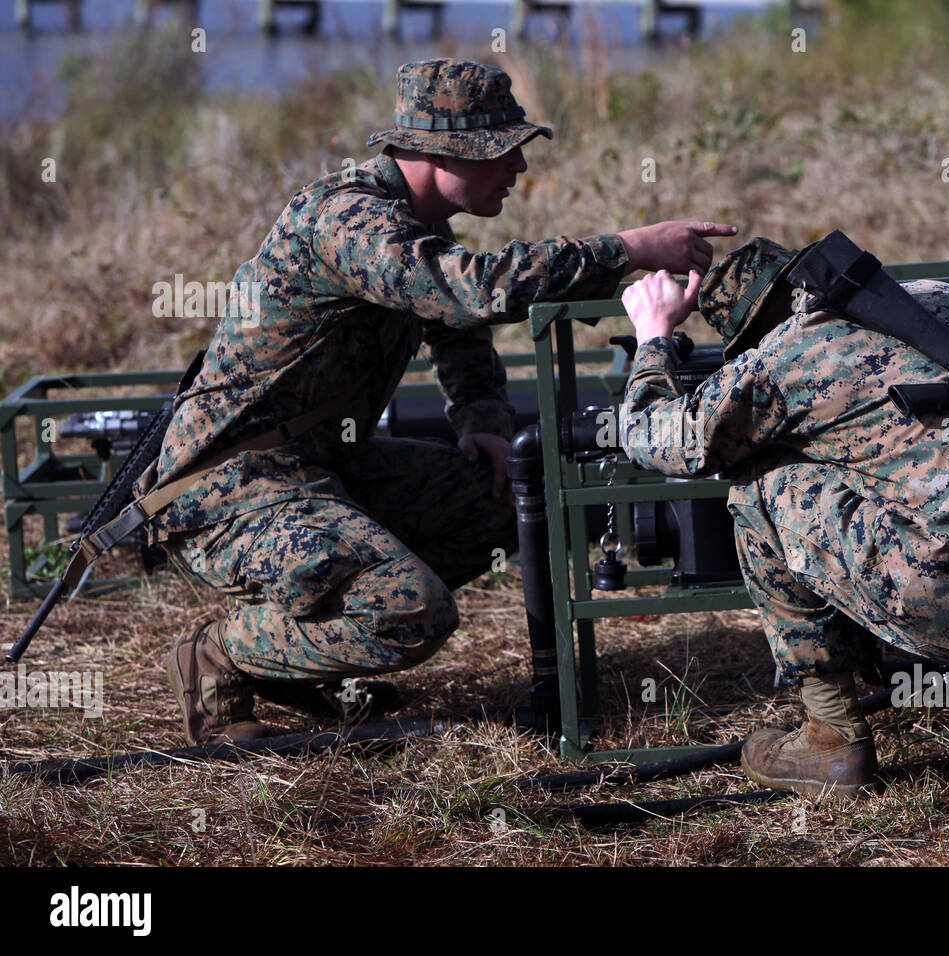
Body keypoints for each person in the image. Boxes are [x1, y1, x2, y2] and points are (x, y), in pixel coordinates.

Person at [152, 57, 736, 746]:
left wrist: (484, 426)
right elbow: (469, 290)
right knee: (409, 610)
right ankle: (221, 655)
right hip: (228, 487)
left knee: (505, 502)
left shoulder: (415, 226)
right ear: (435, 153)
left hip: (321, 468)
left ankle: (306, 652)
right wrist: (627, 248)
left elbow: (460, 338)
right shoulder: (348, 221)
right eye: (499, 151)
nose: (516, 167)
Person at [617, 239, 949, 804]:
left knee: (759, 485)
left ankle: (832, 735)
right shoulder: (944, 299)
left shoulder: (782, 354)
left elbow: (659, 437)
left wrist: (654, 336)